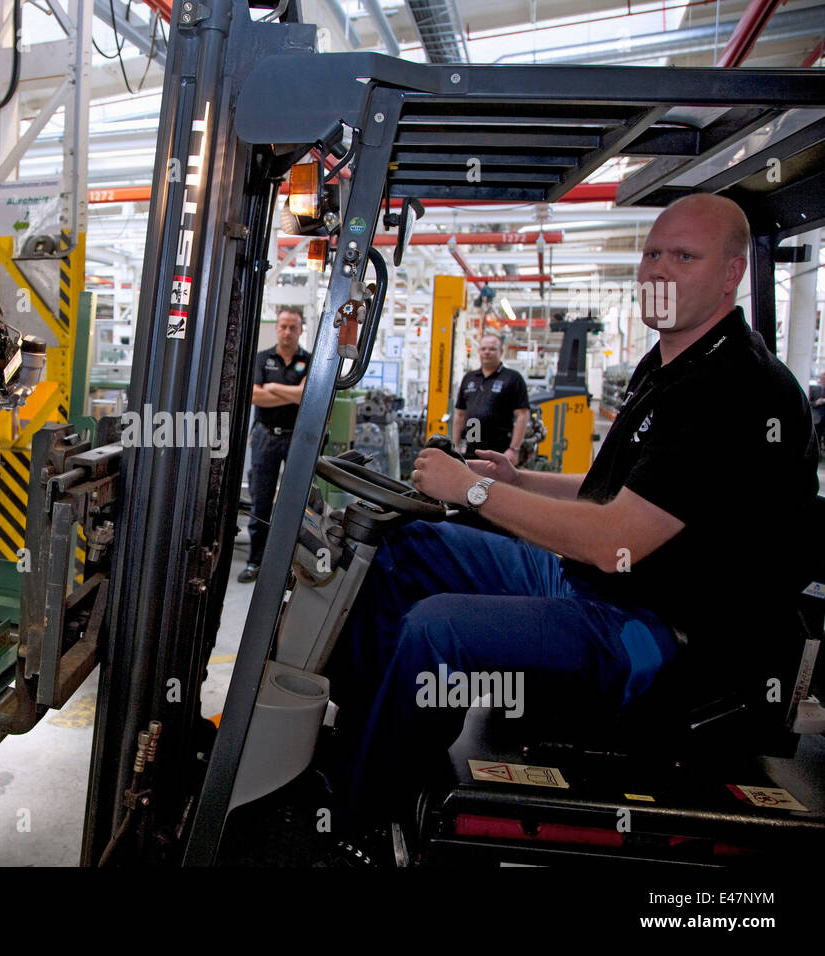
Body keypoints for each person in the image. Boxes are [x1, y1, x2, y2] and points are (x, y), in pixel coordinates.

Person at [336, 193, 819, 825]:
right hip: (598, 587)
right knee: (410, 549)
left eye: (683, 256)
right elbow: (614, 490)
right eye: (651, 254)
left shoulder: (734, 389)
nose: (657, 271)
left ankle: (371, 815)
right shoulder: (674, 359)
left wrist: (475, 490)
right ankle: (362, 741)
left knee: (437, 628)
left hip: (660, 634)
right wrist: (519, 478)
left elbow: (610, 537)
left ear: (731, 273)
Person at [239, 306, 311, 583]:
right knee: (261, 503)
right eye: (283, 326)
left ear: (301, 329)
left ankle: (290, 566)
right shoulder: (261, 358)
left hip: (298, 438)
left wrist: (273, 388)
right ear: (276, 328)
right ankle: (256, 562)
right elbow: (254, 396)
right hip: (265, 437)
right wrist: (291, 394)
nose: (287, 332)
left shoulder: (310, 359)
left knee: (296, 502)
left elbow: (307, 396)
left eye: (293, 327)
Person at [451, 332, 529, 464]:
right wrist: (455, 445)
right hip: (472, 447)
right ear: (479, 352)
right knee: (471, 484)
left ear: (501, 351)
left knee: (496, 485)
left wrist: (514, 449)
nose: (487, 352)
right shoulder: (469, 378)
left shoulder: (512, 378)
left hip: (500, 449)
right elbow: (459, 414)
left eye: (492, 349)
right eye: (483, 349)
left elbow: (522, 415)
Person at [809, 370, 825, 457]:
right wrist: (816, 402)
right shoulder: (814, 389)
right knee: (816, 438)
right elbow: (809, 403)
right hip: (817, 418)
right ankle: (816, 455)